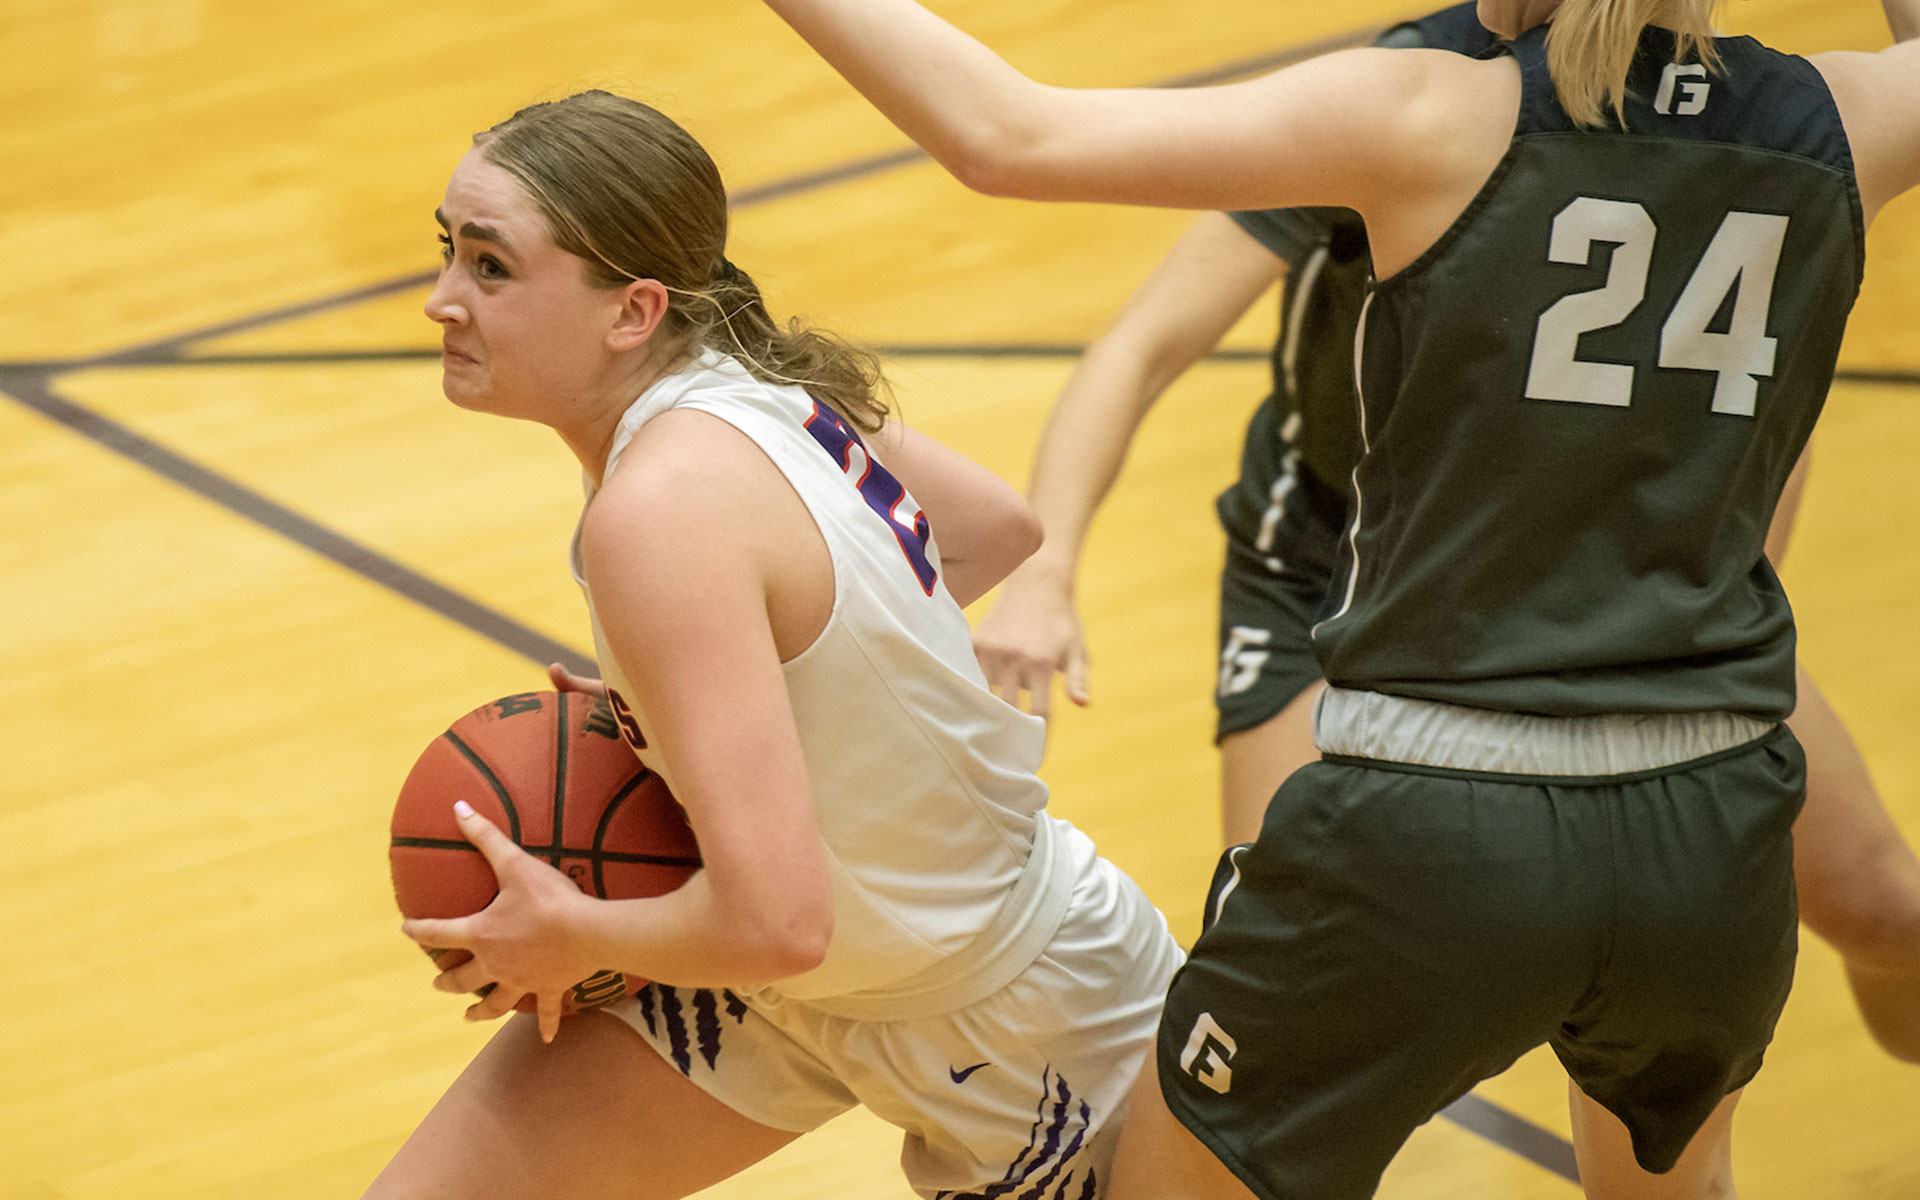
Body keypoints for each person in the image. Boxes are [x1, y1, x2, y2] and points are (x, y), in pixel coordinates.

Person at [757, 1, 1920, 1197]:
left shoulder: (1431, 108)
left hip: (1447, 801)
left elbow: (1006, 135)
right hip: (1709, 812)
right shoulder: (1850, 117)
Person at [367, 89, 1184, 1200]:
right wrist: (716, 711)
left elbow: (778, 919)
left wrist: (568, 933)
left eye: (489, 267)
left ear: (632, 311)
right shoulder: (755, 382)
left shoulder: (657, 510)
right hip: (799, 992)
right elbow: (996, 531)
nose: (440, 302)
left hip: (1025, 1027)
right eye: (448, 254)